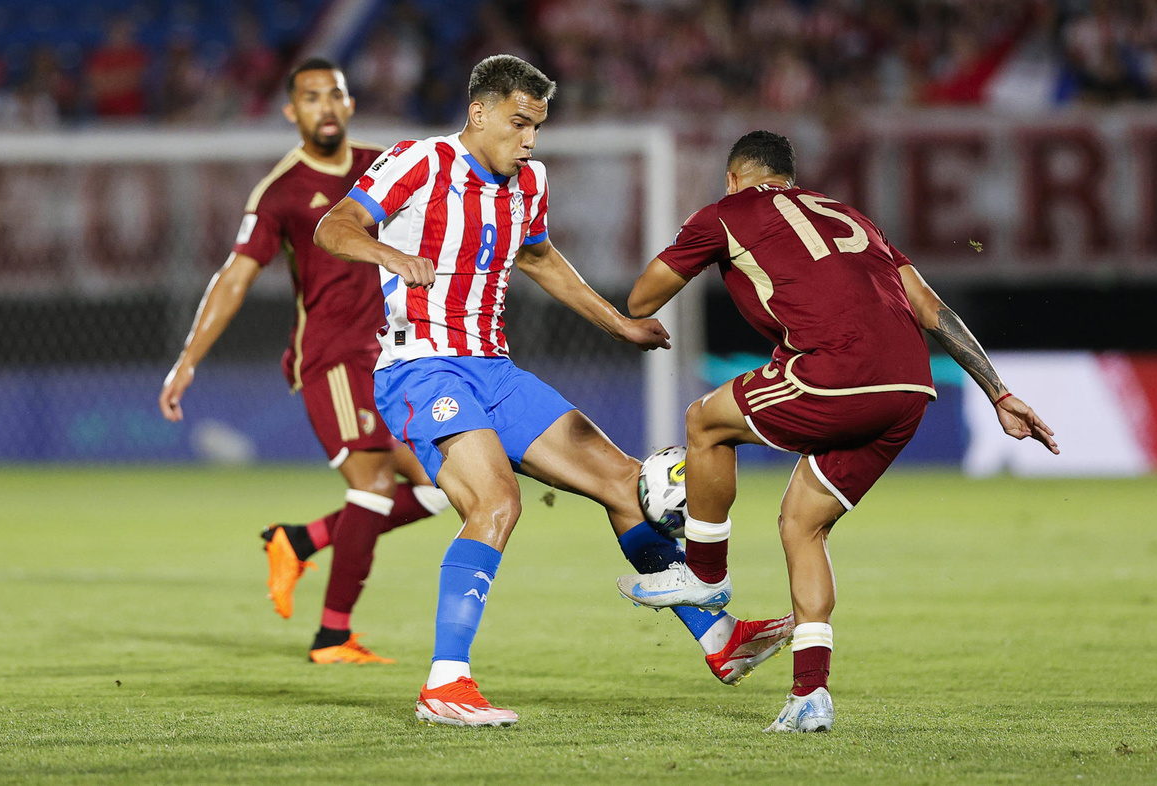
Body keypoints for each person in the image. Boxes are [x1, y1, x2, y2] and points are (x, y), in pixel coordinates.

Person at [314, 54, 794, 728]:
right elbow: (334, 226)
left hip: (494, 369)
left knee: (628, 485)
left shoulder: (530, 181)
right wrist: (388, 254)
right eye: (518, 123)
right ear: (479, 113)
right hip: (421, 368)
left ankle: (719, 639)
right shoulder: (418, 162)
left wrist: (618, 324)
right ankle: (444, 684)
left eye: (537, 126)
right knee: (496, 502)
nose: (530, 140)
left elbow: (539, 257)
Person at [617, 130, 1059, 732]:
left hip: (837, 371)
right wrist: (999, 392)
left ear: (733, 178)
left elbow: (642, 300)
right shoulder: (853, 218)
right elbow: (933, 309)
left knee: (704, 421)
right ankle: (810, 695)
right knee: (803, 524)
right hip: (910, 388)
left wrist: (704, 248)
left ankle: (705, 574)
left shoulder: (725, 213)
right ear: (790, 179)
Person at [159, 58, 450, 665]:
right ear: (292, 111)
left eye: (334, 95)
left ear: (349, 103)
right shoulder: (282, 190)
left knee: (440, 486)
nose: (325, 107)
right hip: (332, 357)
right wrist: (187, 360)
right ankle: (333, 637)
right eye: (311, 97)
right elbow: (235, 277)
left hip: (392, 355)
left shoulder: (383, 166)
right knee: (373, 485)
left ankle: (298, 542)